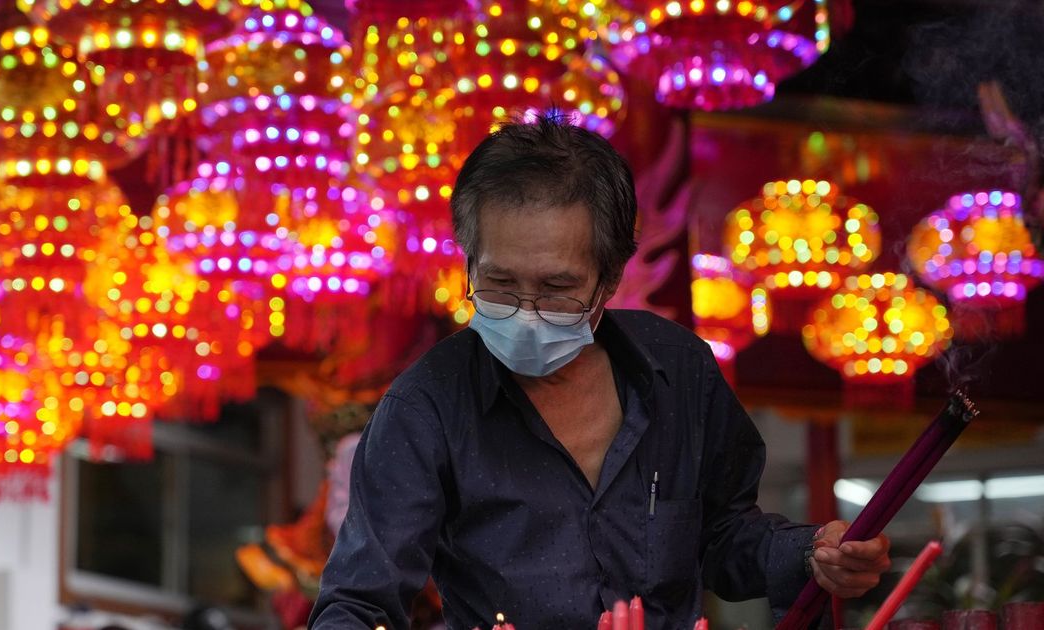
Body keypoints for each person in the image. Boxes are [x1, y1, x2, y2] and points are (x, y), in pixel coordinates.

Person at [309, 115, 890, 630]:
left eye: (558, 288)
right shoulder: (425, 406)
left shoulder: (677, 370)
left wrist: (811, 553)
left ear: (608, 281)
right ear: (467, 259)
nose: (526, 313)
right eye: (499, 283)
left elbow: (723, 535)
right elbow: (359, 602)